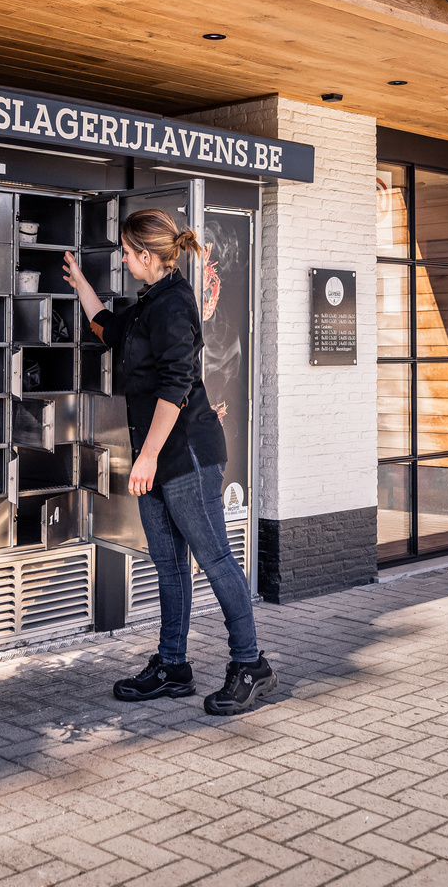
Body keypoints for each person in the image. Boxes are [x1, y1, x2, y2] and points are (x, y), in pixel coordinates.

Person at [62, 209, 276, 715]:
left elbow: (176, 387)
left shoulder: (175, 306)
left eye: (125, 250)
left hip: (186, 458)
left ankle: (251, 665)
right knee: (169, 564)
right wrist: (81, 285)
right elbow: (108, 330)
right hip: (157, 459)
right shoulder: (149, 303)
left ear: (146, 255)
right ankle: (173, 664)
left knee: (215, 559)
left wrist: (148, 457)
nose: (121, 256)